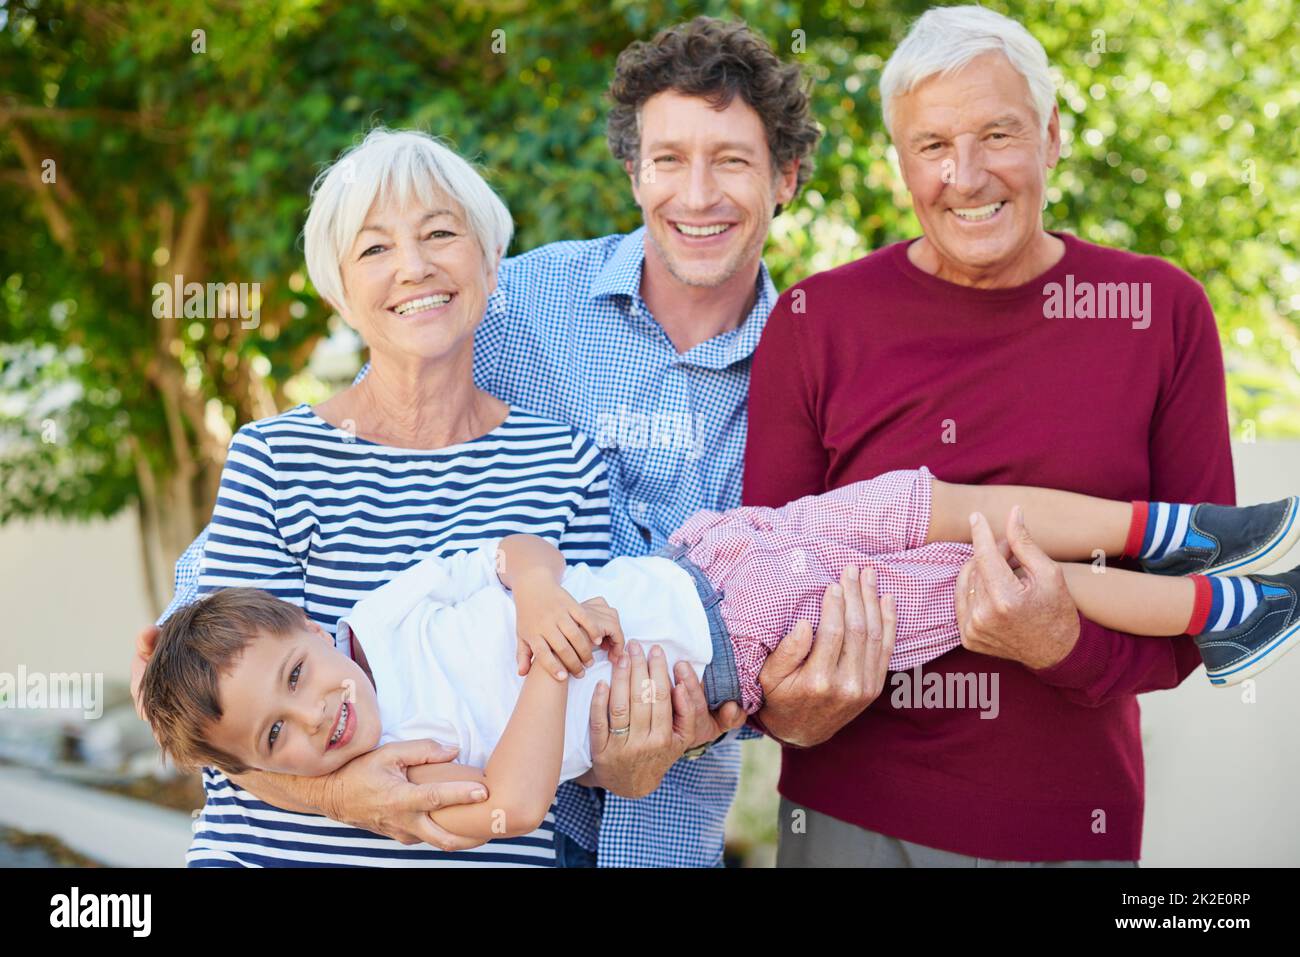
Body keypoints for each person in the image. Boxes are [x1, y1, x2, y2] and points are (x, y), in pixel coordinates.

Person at [136, 16, 844, 868]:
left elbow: (608, 659)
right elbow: (203, 689)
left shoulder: (803, 368)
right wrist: (347, 794)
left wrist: (738, 714)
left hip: (634, 833)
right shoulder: (510, 313)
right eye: (668, 159)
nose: (417, 268)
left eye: (441, 235)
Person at [744, 5, 1239, 867]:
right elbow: (764, 575)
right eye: (932, 146)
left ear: (1050, 136)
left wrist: (1065, 645)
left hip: (1067, 821)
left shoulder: (1161, 312)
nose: (965, 177)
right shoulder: (816, 321)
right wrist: (790, 702)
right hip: (850, 816)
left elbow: (1205, 599)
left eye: (997, 134)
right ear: (900, 163)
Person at [138, 474, 1300, 841]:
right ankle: (1224, 612)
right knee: (978, 582)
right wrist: (550, 670)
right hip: (741, 646)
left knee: (933, 501)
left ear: (305, 626)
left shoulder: (372, 620)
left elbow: (505, 551)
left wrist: (541, 589)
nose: (316, 713)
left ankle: (1174, 527)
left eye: (295, 677)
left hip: (714, 551)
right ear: (264, 765)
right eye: (277, 734)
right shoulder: (406, 758)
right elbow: (517, 800)